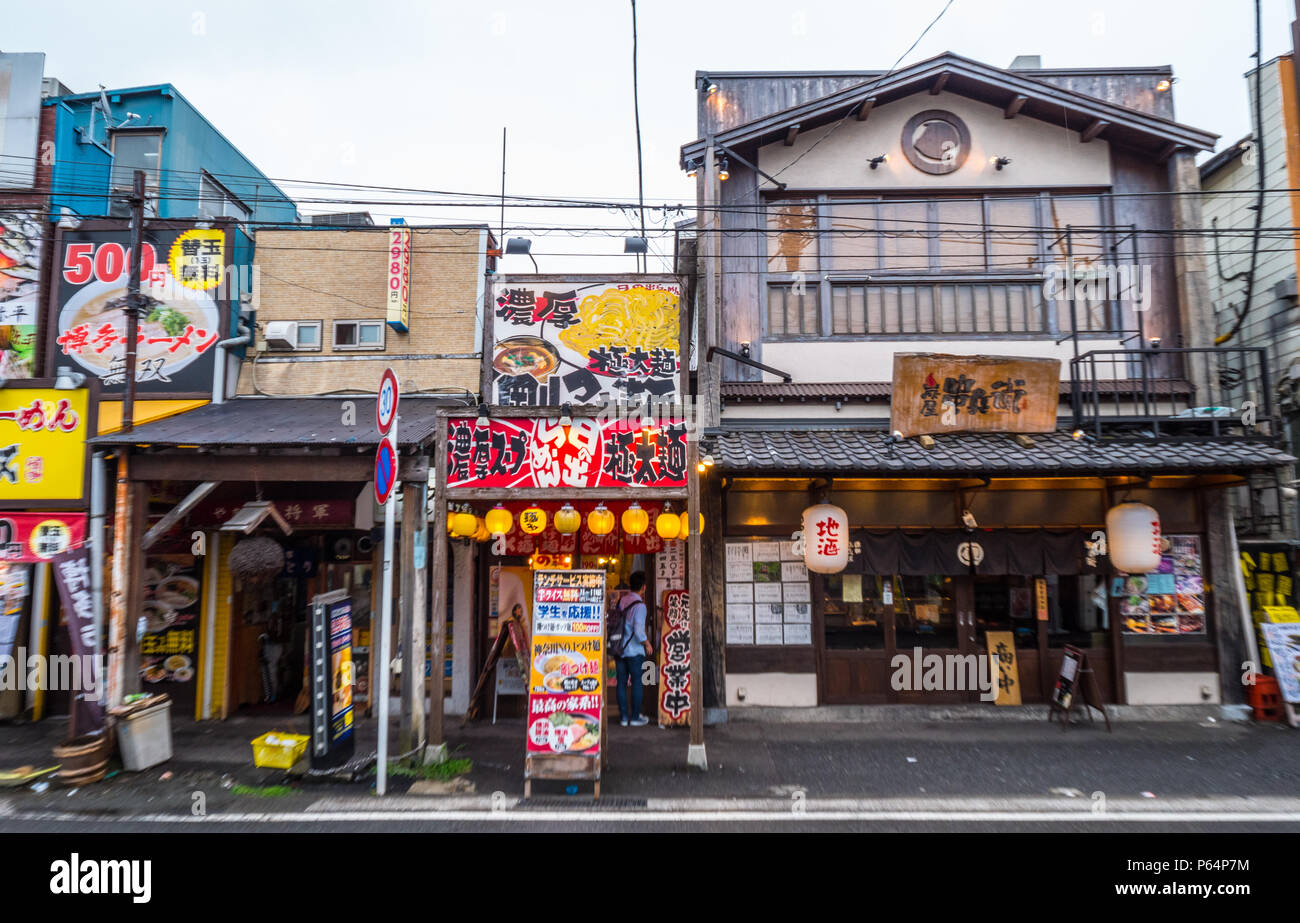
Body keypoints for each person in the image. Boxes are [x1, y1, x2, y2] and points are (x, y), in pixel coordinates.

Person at [614, 571, 650, 727]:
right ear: (643, 587)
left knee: (621, 683)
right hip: (634, 651)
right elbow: (638, 631)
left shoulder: (621, 601)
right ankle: (635, 717)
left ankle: (623, 717)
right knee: (636, 683)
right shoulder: (640, 606)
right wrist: (647, 643)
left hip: (620, 649)